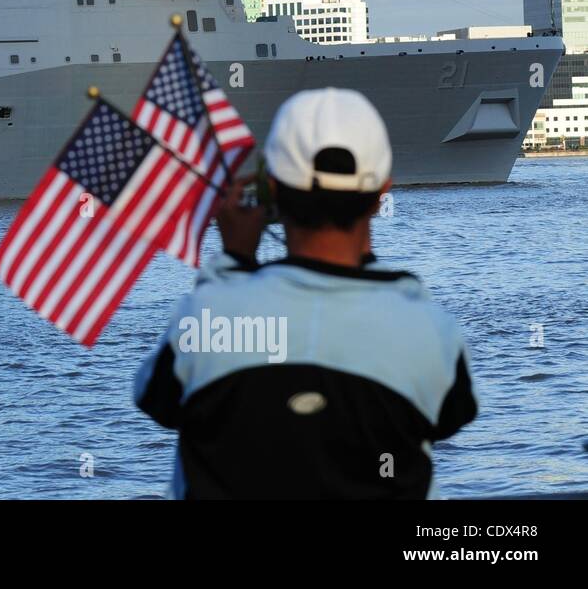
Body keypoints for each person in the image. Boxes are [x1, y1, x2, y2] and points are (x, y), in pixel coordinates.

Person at [133, 88, 477, 499]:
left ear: (270, 190)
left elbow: (157, 401)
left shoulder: (210, 316)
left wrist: (233, 261)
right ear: (383, 191)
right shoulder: (427, 327)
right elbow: (451, 415)